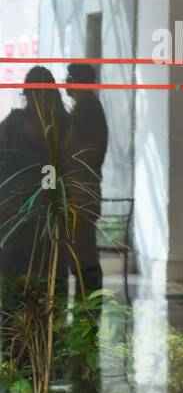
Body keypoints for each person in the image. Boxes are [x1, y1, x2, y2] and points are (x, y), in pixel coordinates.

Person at [0, 67, 71, 286]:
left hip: (46, 215)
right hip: (14, 215)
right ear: (27, 95)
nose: (40, 99)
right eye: (35, 94)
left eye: (45, 93)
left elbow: (67, 169)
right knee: (12, 281)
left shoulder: (62, 127)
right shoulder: (11, 125)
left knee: (48, 277)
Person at [65, 63, 108, 298]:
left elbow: (82, 152)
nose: (66, 83)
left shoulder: (86, 112)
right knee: (83, 251)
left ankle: (89, 304)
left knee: (83, 253)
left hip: (81, 192)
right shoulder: (89, 109)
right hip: (84, 190)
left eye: (69, 78)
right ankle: (88, 304)